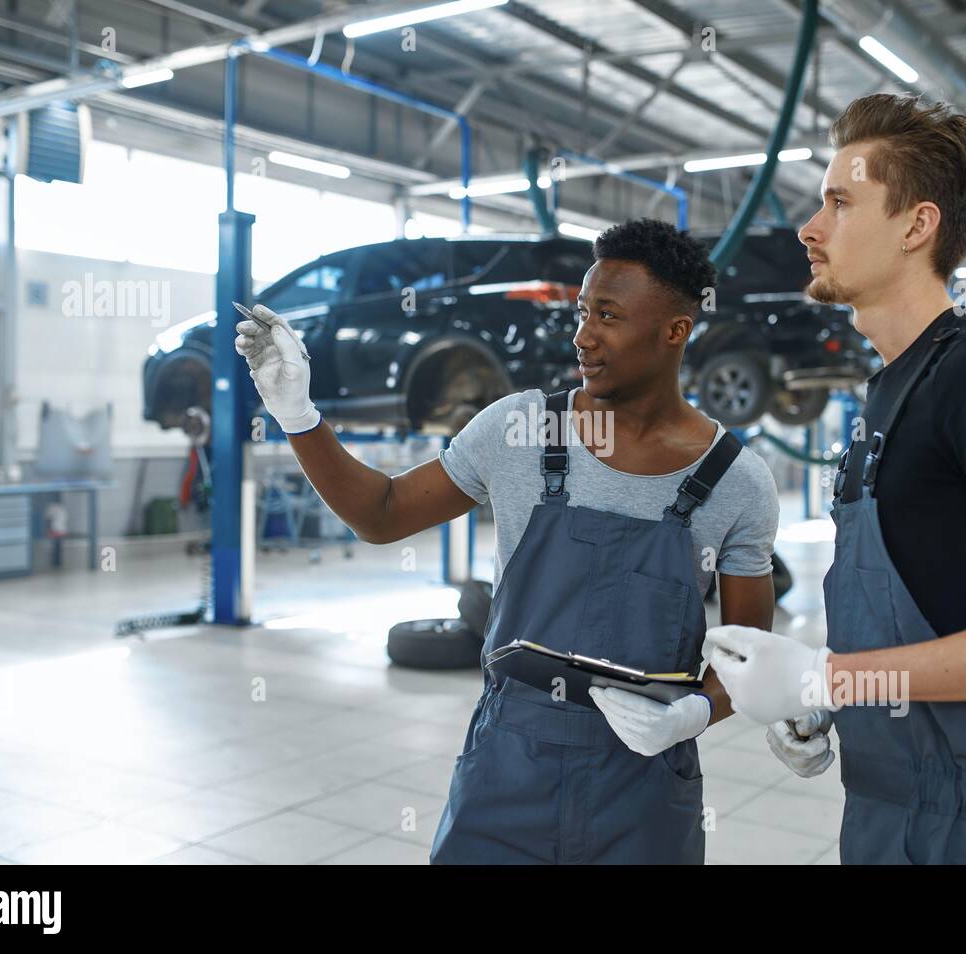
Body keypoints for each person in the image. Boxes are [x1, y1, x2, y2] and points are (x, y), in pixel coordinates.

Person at [235, 218, 781, 864]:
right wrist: (299, 417)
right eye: (582, 311)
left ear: (675, 331)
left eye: (607, 315)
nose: (583, 335)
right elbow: (380, 514)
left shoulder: (736, 482)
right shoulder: (520, 430)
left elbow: (750, 661)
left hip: (645, 787)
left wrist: (690, 716)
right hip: (505, 777)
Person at [705, 94, 966, 864]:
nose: (810, 227)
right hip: (884, 816)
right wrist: (840, 707)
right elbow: (938, 596)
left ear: (916, 225)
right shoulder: (888, 389)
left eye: (839, 202)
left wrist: (834, 679)